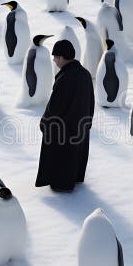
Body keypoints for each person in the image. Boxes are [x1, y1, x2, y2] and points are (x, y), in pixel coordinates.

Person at [35, 40, 95, 192]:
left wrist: (45, 122)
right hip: (80, 127)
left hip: (63, 130)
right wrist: (87, 123)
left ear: (62, 57)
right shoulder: (85, 74)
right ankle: (75, 177)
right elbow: (91, 103)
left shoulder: (66, 77)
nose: (54, 61)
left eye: (55, 57)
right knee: (75, 156)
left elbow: (55, 106)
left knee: (62, 158)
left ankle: (61, 184)